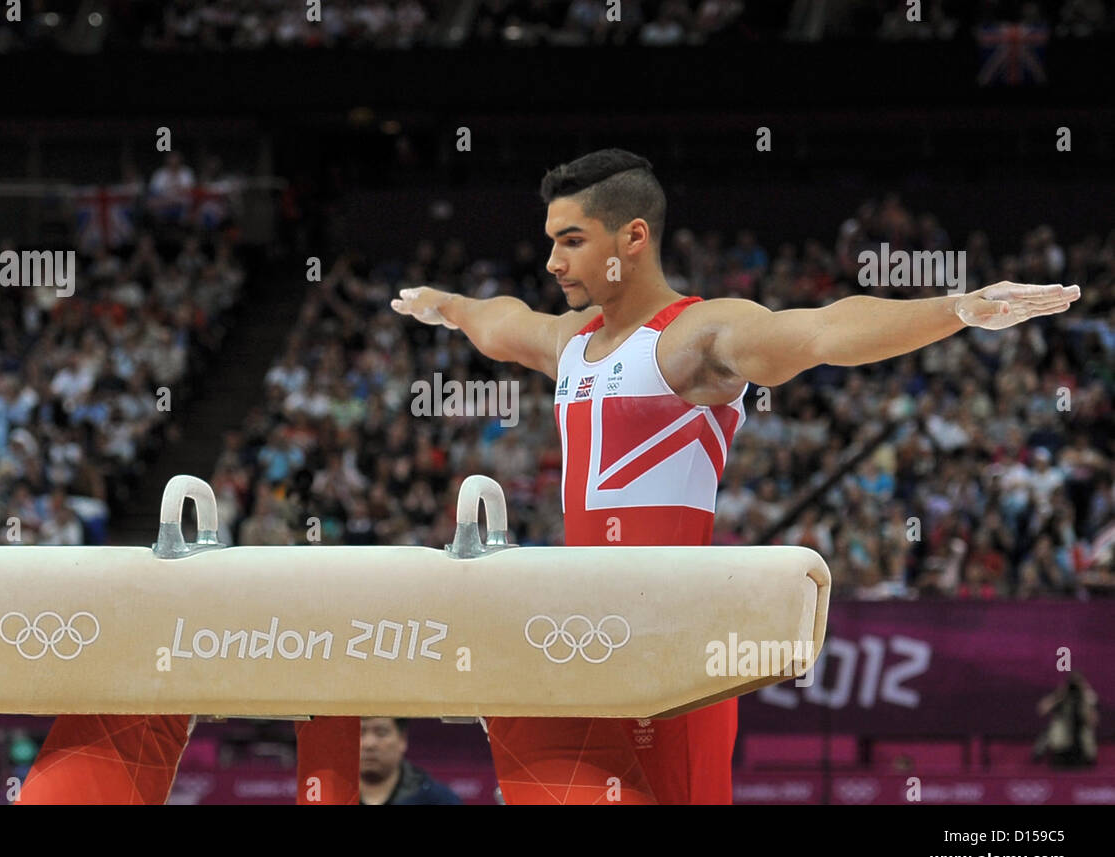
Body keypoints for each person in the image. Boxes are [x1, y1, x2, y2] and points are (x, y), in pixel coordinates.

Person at [391, 147, 1081, 804]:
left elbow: (822, 332)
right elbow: (498, 321)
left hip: (675, 635)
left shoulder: (694, 338)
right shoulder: (569, 345)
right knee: (514, 718)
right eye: (550, 241)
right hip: (584, 628)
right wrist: (443, 304)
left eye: (571, 240)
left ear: (633, 237)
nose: (552, 261)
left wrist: (953, 310)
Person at [359, 718, 462, 805]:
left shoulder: (440, 800)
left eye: (381, 733)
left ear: (402, 739)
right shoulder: (342, 796)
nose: (369, 744)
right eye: (359, 732)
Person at [1032, 672, 1098, 767]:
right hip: (1062, 738)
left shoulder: (1087, 697)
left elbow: (1093, 721)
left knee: (1088, 742)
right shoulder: (1062, 695)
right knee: (1051, 730)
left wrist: (1085, 701)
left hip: (1080, 739)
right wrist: (1058, 696)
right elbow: (1041, 710)